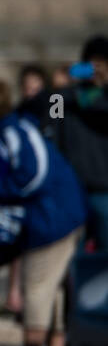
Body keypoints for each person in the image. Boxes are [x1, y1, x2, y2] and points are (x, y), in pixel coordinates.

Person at [0, 75, 86, 346]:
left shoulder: (15, 131)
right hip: (54, 214)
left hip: (53, 217)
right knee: (54, 291)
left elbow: (34, 175)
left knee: (37, 286)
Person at [47, 36, 108, 252]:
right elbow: (52, 122)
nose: (95, 70)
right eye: (91, 64)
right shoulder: (65, 97)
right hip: (73, 187)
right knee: (72, 252)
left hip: (104, 189)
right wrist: (57, 86)